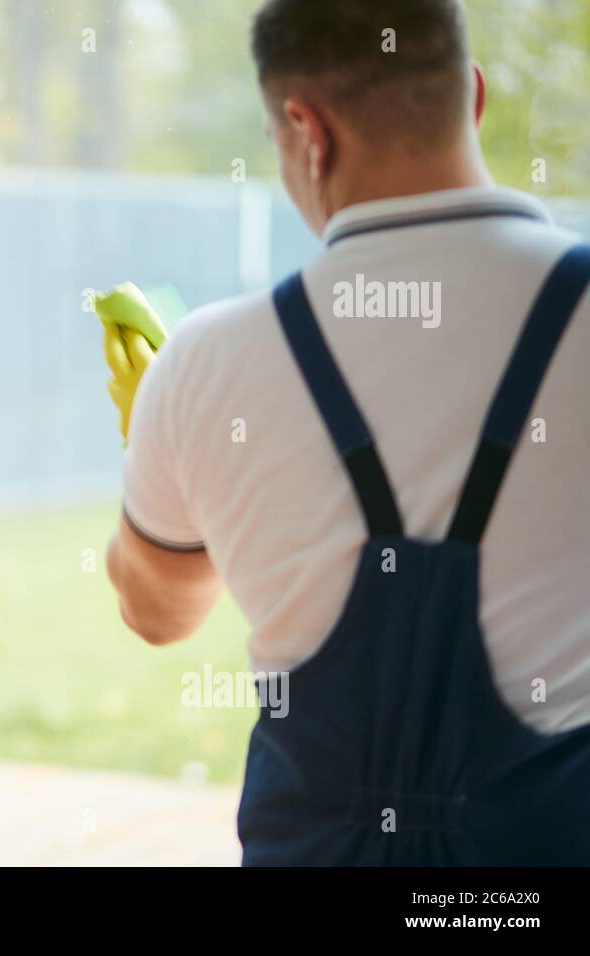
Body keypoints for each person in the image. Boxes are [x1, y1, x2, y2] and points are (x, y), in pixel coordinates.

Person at [102, 0, 590, 864]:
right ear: (471, 96)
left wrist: (157, 440)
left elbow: (156, 610)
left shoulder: (206, 361)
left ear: (306, 130)